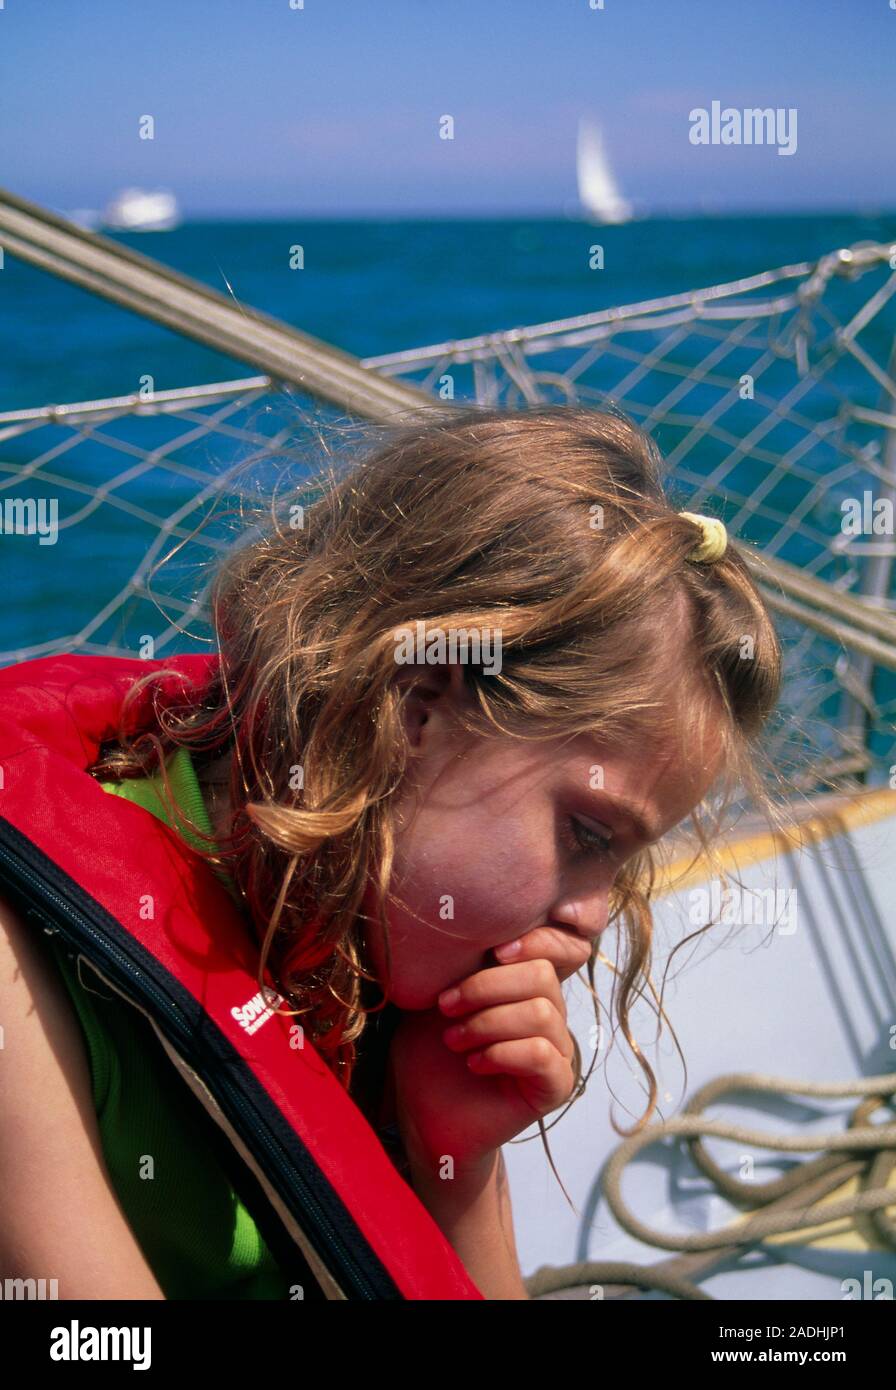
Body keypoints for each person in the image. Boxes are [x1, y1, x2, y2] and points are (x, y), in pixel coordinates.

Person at [0, 403, 782, 1299]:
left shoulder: (357, 955)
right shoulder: (18, 967)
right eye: (587, 836)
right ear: (411, 711)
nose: (592, 920)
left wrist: (456, 1162)